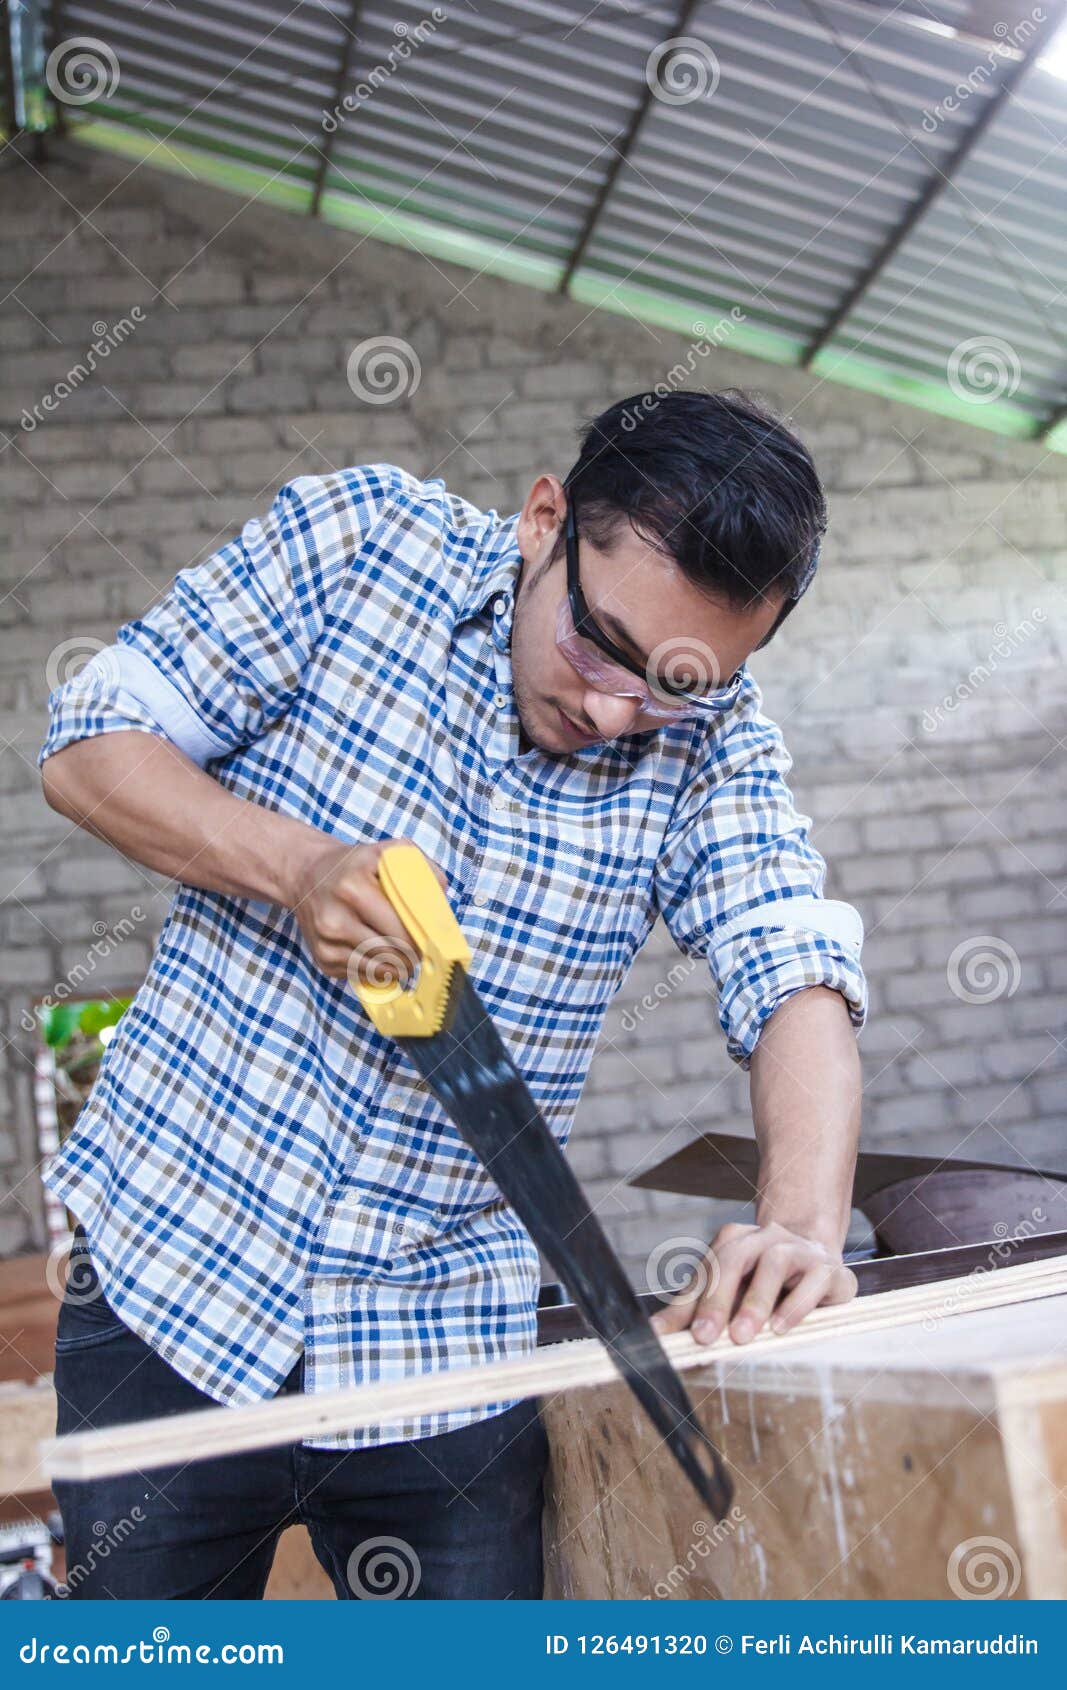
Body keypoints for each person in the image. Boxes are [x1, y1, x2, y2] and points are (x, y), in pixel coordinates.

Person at [39, 388, 865, 1599]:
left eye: (670, 687)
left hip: (441, 1342)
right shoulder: (361, 545)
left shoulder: (712, 745)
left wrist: (798, 1220)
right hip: (173, 1278)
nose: (610, 710)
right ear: (544, 519)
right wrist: (298, 868)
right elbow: (88, 741)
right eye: (601, 647)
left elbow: (792, 962)